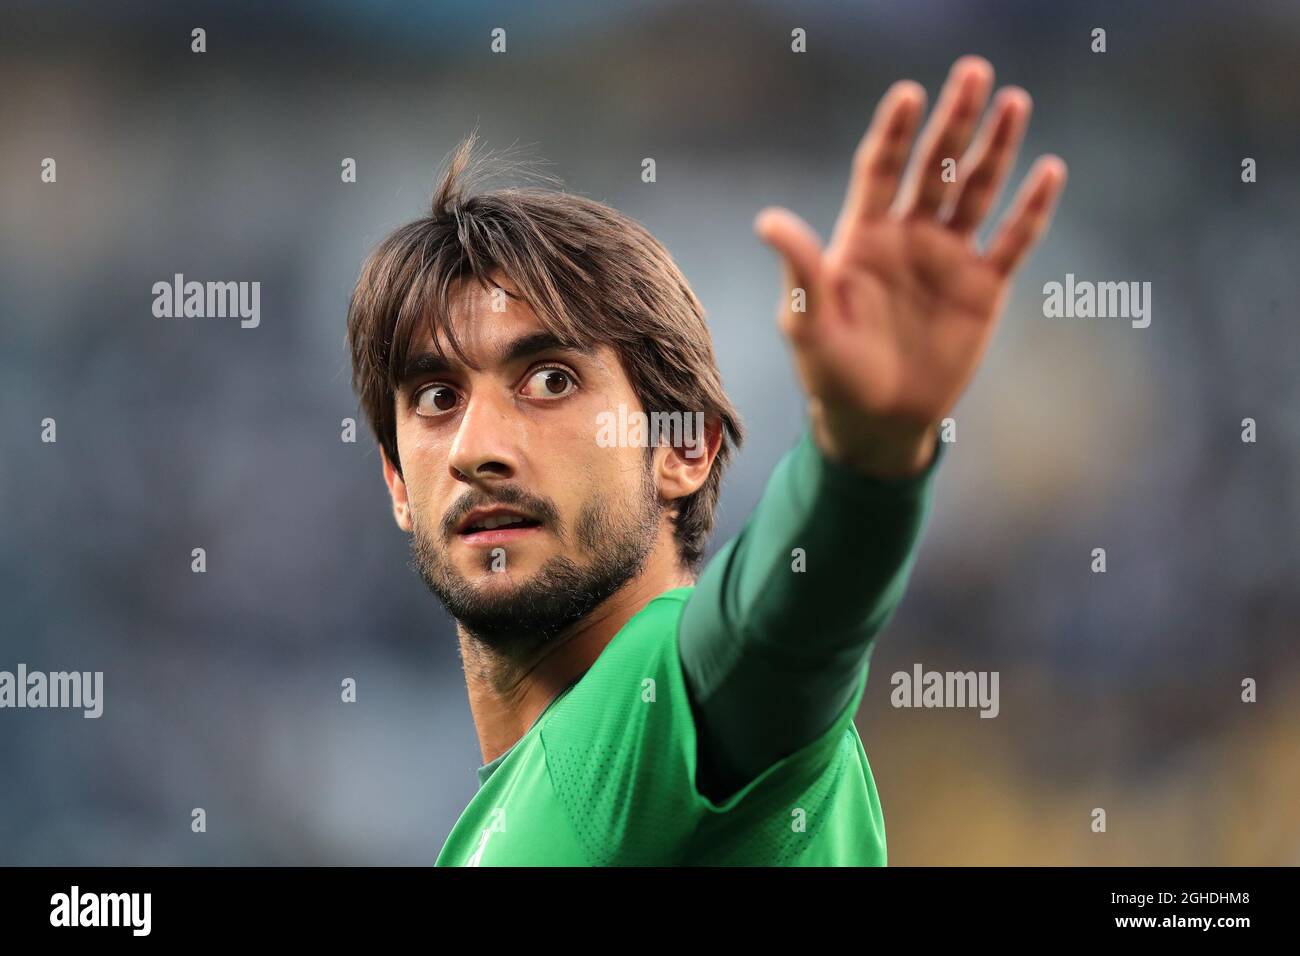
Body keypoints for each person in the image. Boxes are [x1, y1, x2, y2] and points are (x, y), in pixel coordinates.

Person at [345, 54, 1066, 865]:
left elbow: (776, 634)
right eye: (437, 398)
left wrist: (864, 454)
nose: (479, 449)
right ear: (398, 481)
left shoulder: (655, 707)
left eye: (550, 380)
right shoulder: (505, 814)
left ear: (683, 449)